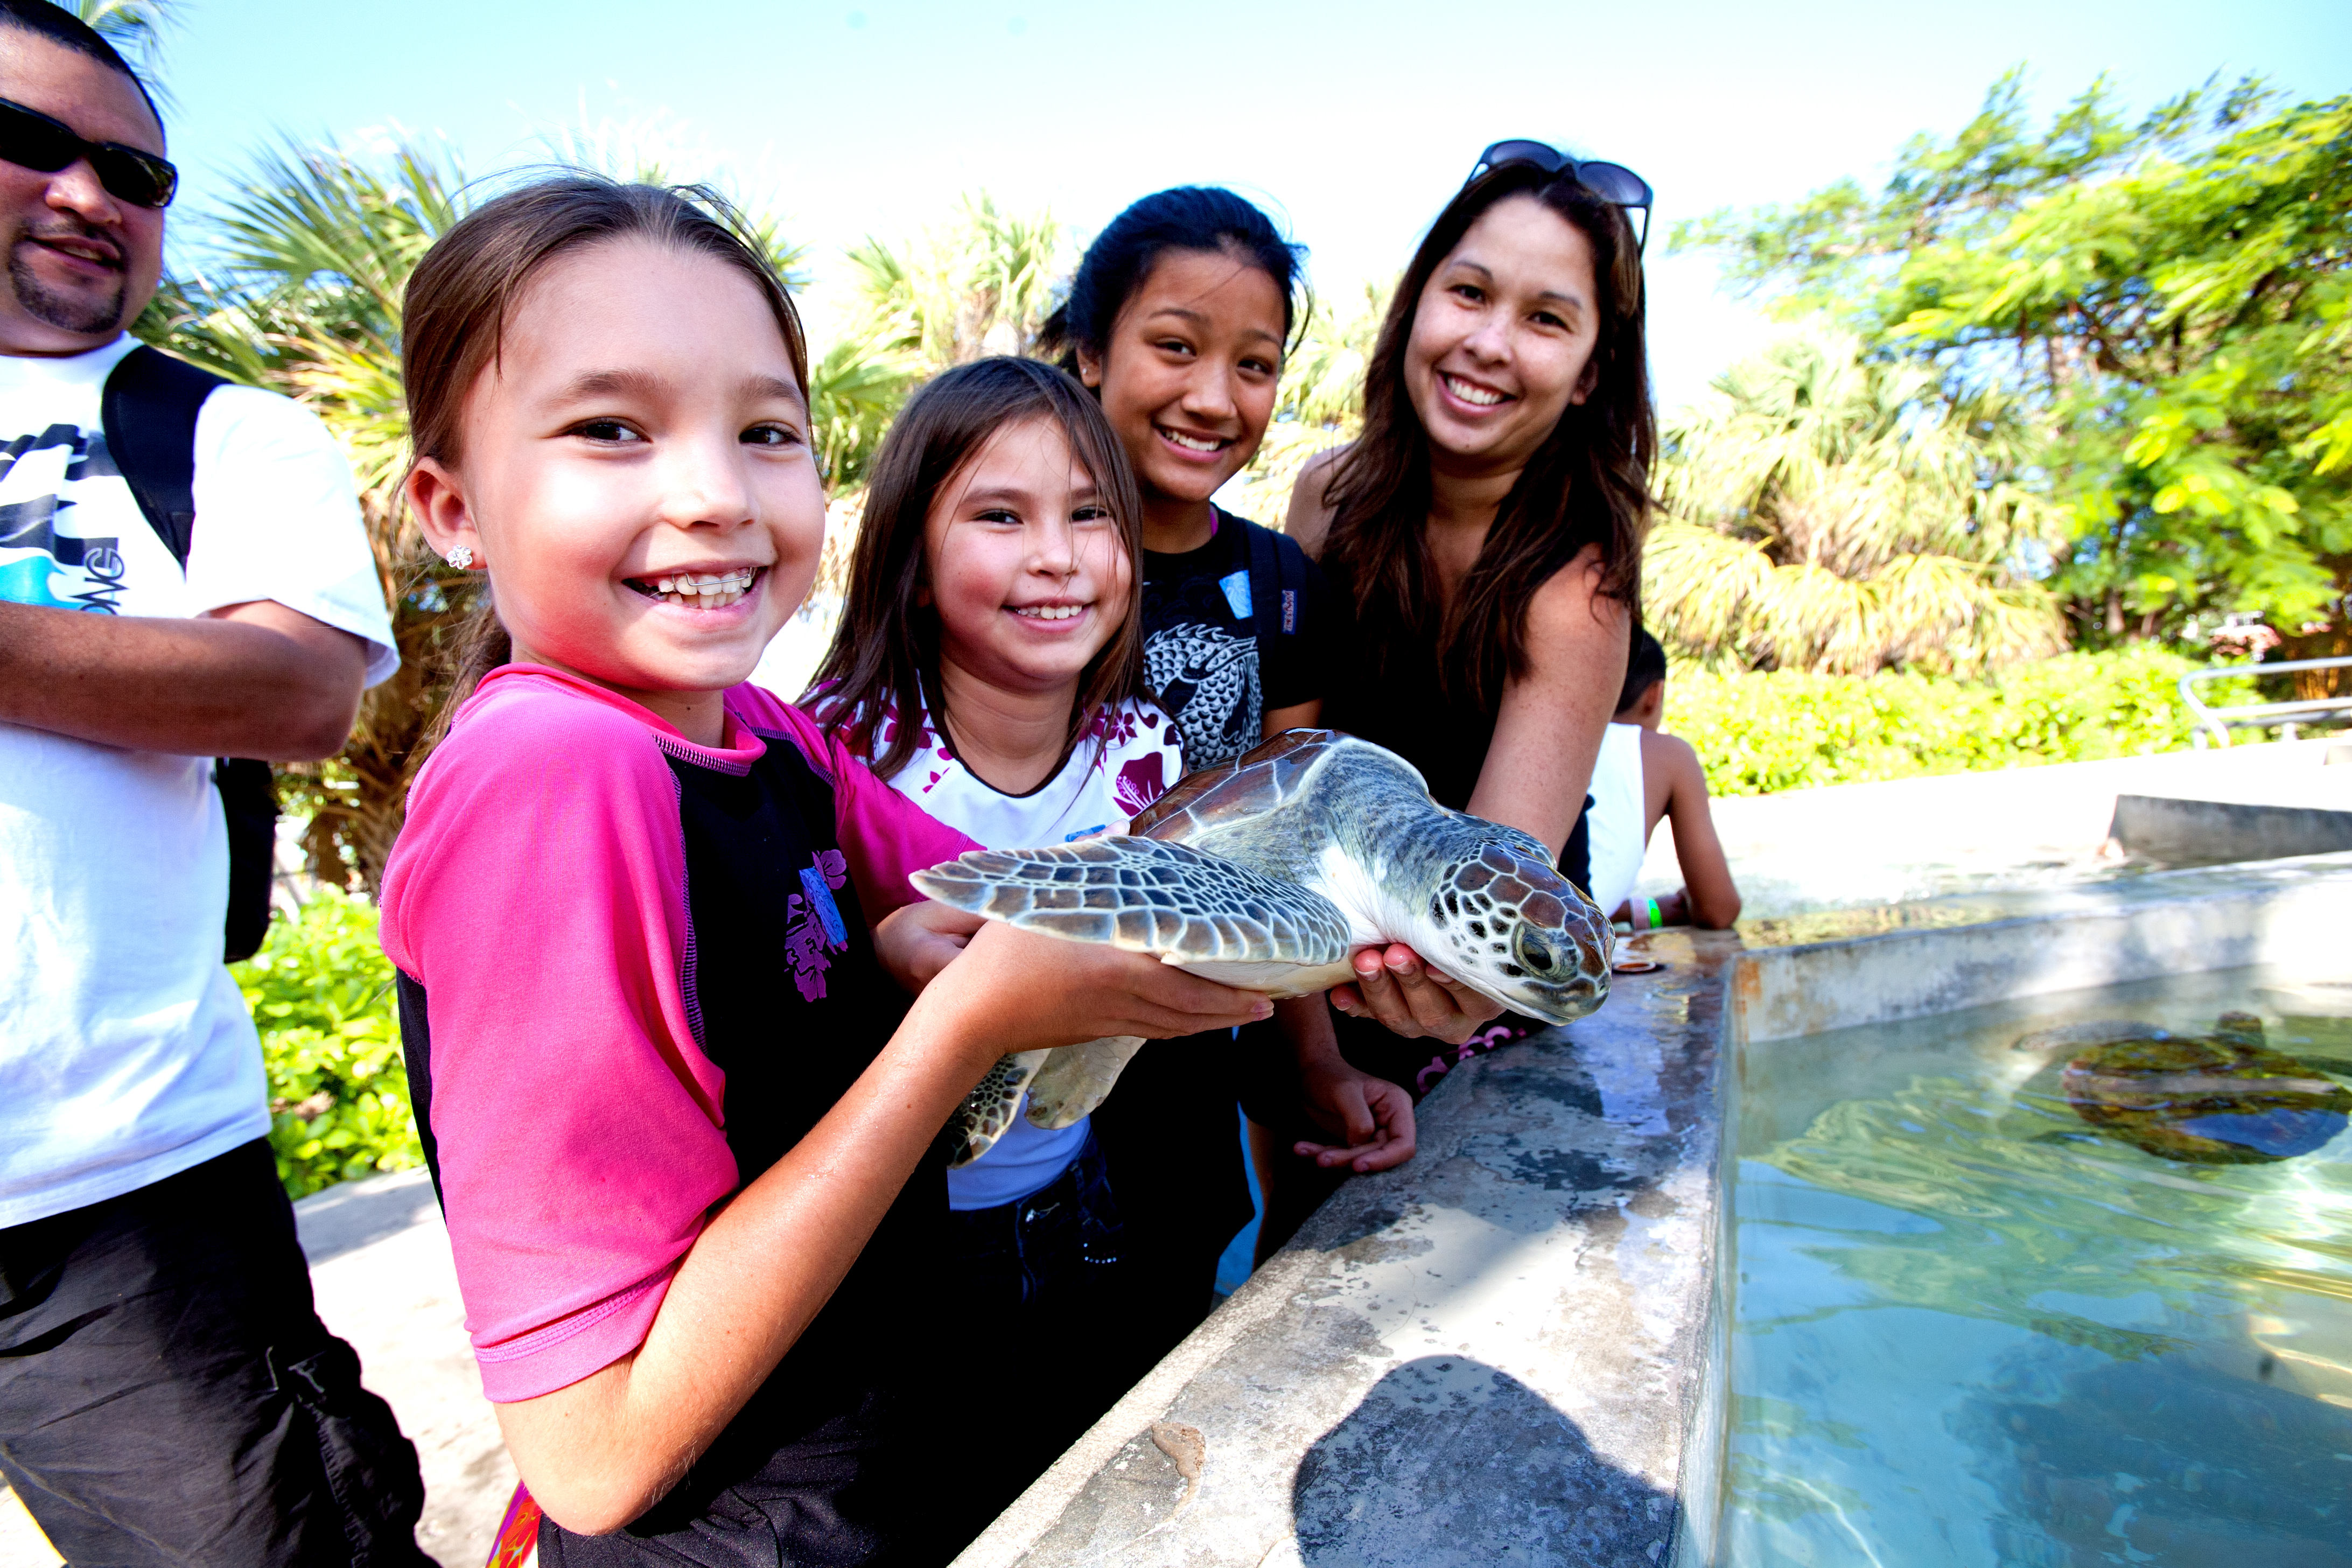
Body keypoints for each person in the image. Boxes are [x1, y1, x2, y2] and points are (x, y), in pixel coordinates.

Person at [379, 179, 1272, 1567]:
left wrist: (1346, 935)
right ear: (452, 506)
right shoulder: (558, 771)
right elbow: (594, 1454)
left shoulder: (759, 735)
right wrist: (962, 1024)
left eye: (766, 432)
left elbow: (1027, 901)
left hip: (867, 1471)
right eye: (612, 430)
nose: (715, 495)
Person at [805, 354, 1419, 1542]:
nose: (1059, 552)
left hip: (1079, 1203)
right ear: (910, 564)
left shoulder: (1141, 752)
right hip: (895, 1242)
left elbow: (1230, 922)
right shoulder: (846, 751)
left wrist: (1332, 1021)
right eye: (1000, 515)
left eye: (1093, 513)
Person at [0, 5, 424, 1562]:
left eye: (134, 170)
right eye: (29, 140)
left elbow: (295, 684)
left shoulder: (210, 431)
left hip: (113, 1197)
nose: (89, 194)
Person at [1041, 187, 1506, 1305]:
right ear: (1092, 352)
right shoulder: (1014, 556)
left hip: (1189, 1064)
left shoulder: (1286, 587)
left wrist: (1316, 1068)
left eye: (1254, 364)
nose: (1215, 396)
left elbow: (1296, 852)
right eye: (1174, 347)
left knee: (1161, 1308)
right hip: (1025, 1015)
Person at [1263, 141, 1656, 1254]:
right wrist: (1308, 1052)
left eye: (1546, 318)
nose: (1488, 343)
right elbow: (1288, 789)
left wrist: (1457, 986)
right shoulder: (1325, 499)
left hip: (1474, 1007)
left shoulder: (1575, 589)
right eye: (1470, 292)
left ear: (1589, 371)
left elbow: (1488, 893)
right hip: (1309, 973)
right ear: (1418, 303)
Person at [1587, 628, 1740, 931]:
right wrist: (1653, 911)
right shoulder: (1671, 756)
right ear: (1654, 695)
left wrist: (1644, 911)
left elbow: (1572, 894)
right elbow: (1718, 909)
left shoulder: (1540, 742)